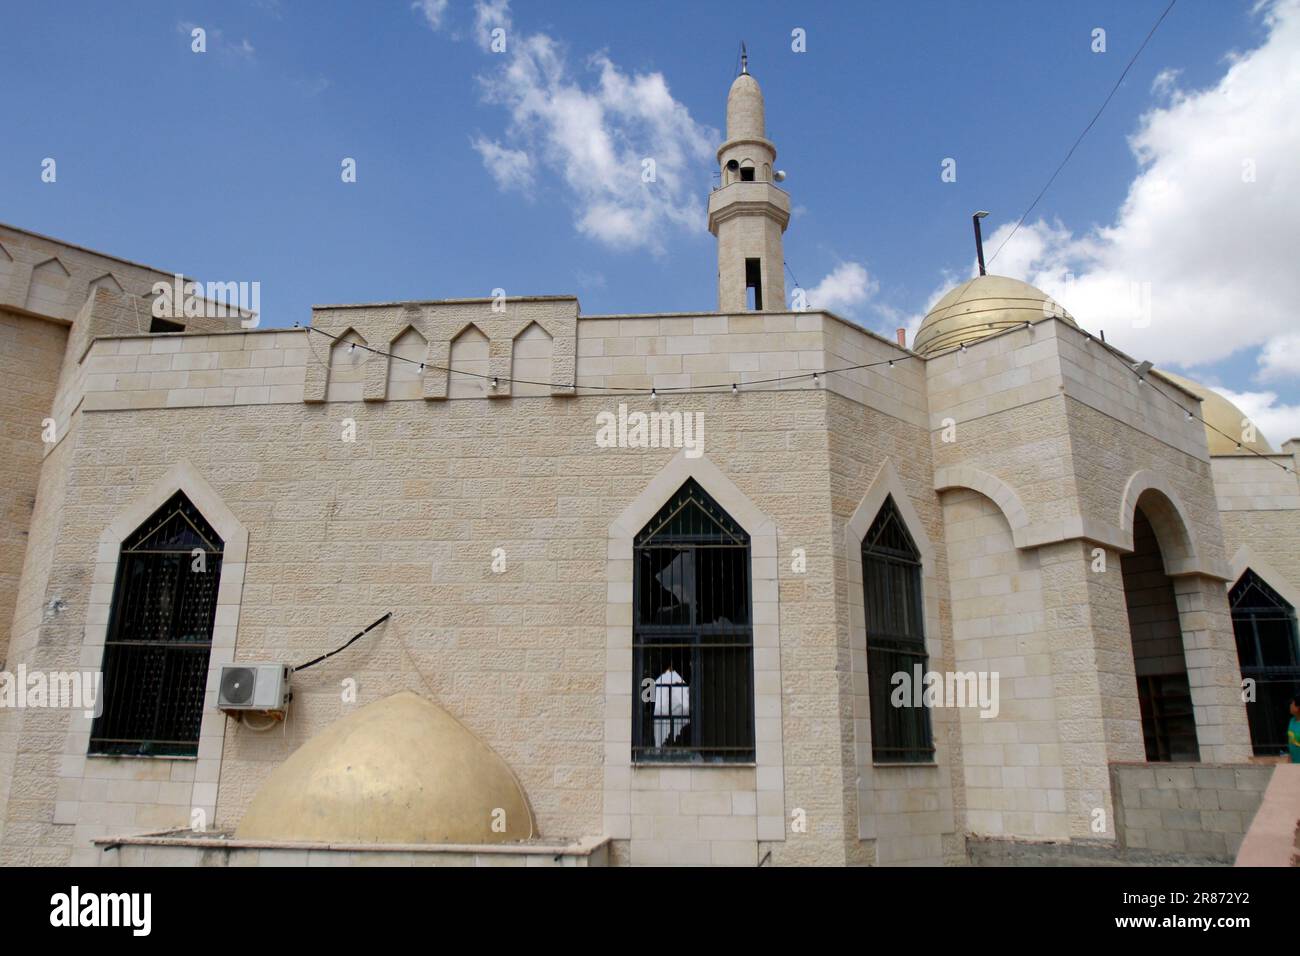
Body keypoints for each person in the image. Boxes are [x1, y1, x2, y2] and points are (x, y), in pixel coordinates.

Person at [1289, 695, 1300, 764]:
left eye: (1292, 704)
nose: (1290, 705)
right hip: (1294, 765)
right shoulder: (1292, 721)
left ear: (1298, 708)